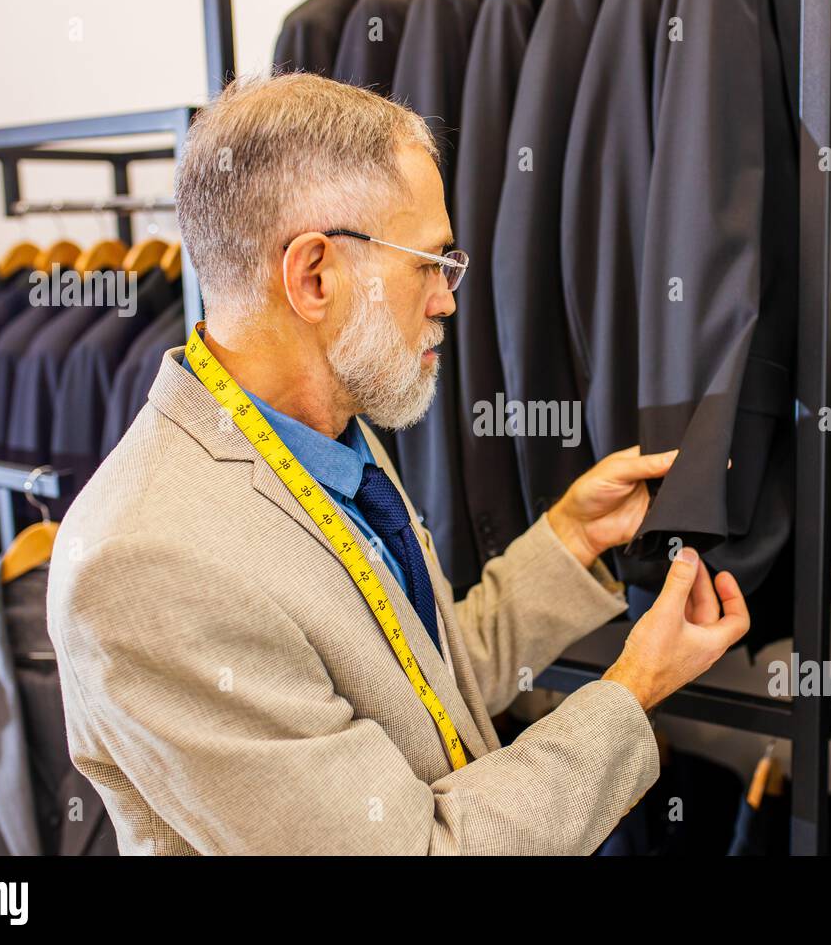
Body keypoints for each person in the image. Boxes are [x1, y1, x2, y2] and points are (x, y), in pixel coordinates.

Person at [46, 72, 749, 855]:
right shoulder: (147, 560)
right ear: (315, 276)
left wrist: (570, 539)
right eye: (429, 263)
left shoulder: (320, 436)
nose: (448, 299)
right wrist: (633, 688)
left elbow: (418, 696)